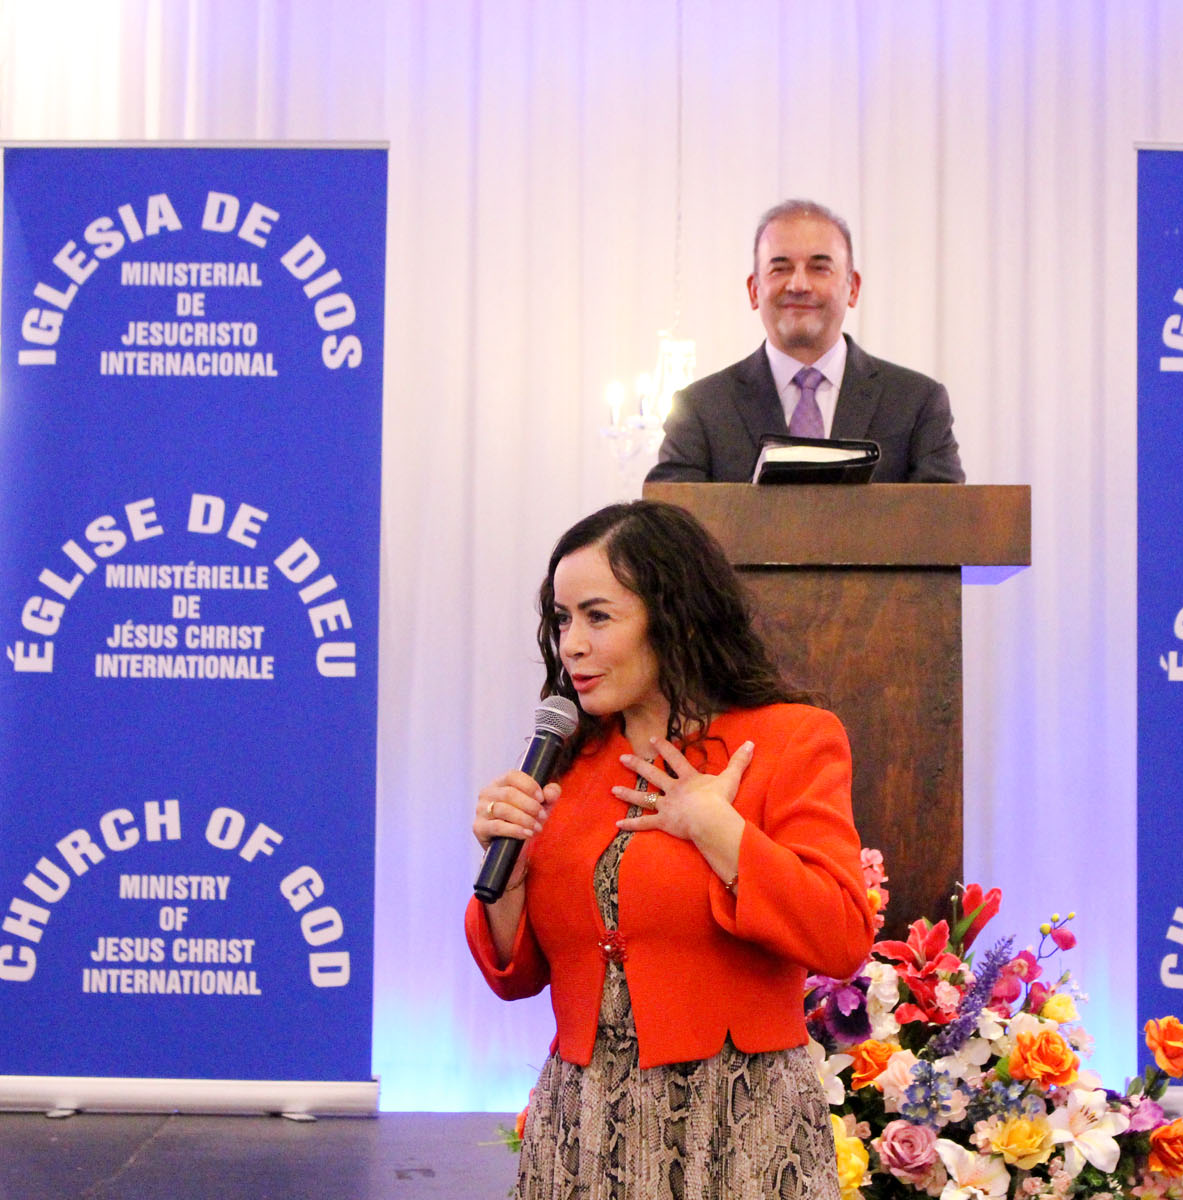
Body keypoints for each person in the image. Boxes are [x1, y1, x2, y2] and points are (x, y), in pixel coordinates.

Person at [465, 500, 874, 1199]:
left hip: (739, 1127)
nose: (572, 644)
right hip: (585, 1126)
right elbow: (517, 975)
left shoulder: (789, 740)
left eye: (597, 616)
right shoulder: (566, 765)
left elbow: (840, 936)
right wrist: (512, 878)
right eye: (562, 621)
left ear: (676, 615)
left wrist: (717, 828)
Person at [646, 198, 965, 484]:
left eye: (819, 268)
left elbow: (942, 530)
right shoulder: (699, 409)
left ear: (853, 288)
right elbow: (669, 537)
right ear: (754, 290)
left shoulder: (917, 403)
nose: (798, 284)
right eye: (780, 268)